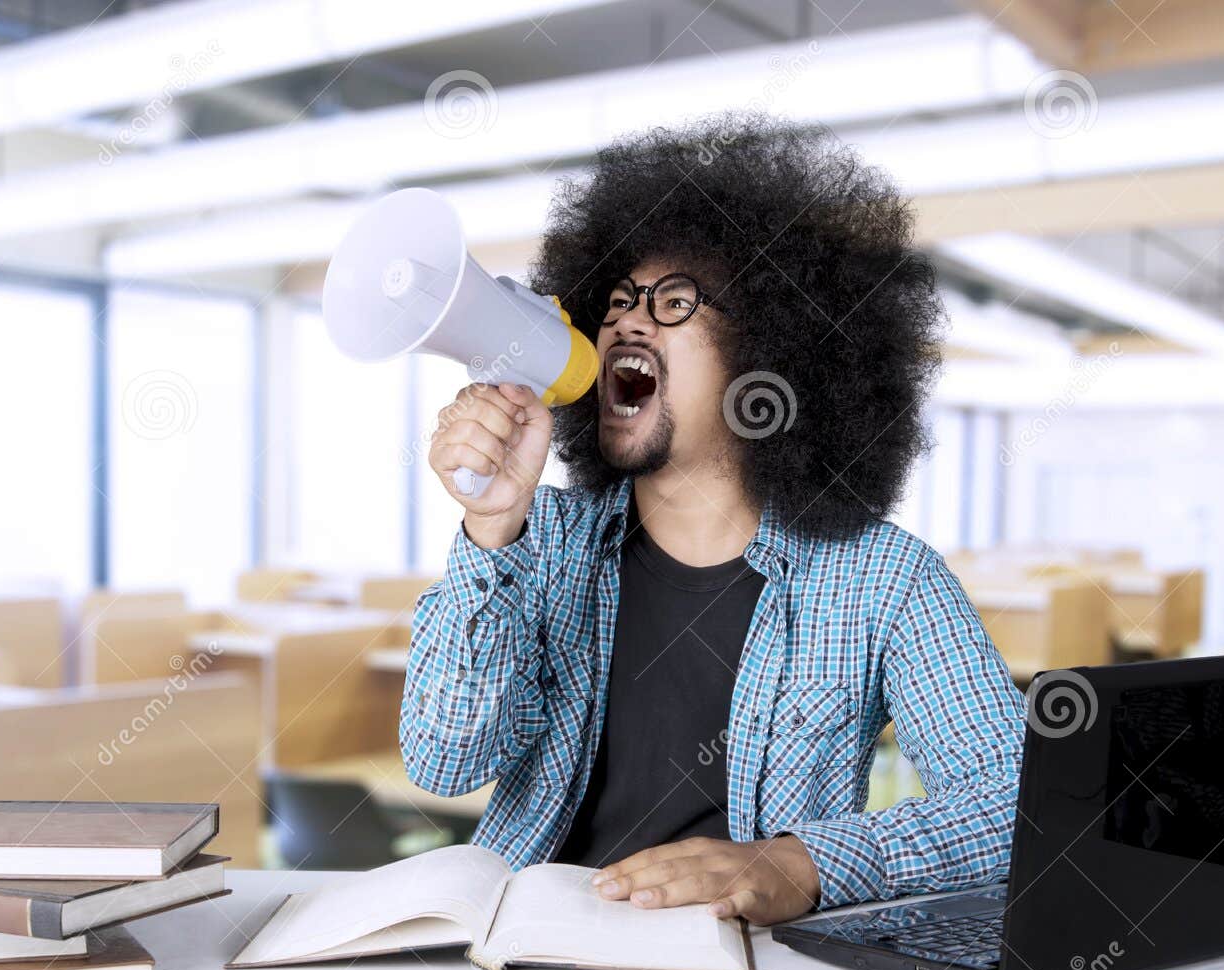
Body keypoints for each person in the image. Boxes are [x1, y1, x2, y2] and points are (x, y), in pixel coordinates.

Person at [400, 113, 1024, 925]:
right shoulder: (536, 540)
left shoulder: (884, 580)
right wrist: (491, 530)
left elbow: (1016, 805)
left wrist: (802, 862)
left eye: (674, 302)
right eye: (618, 300)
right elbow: (445, 758)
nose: (628, 320)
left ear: (773, 349)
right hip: (528, 961)